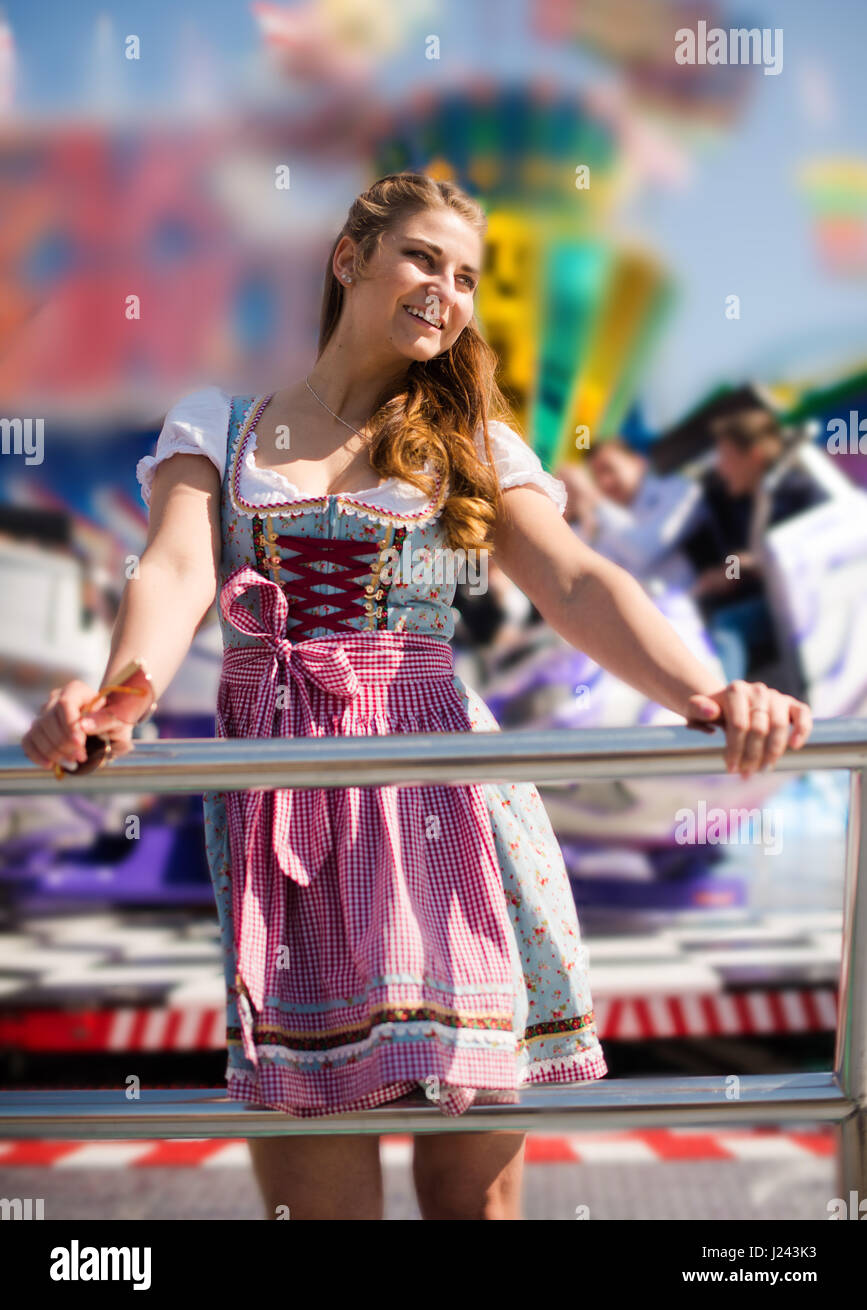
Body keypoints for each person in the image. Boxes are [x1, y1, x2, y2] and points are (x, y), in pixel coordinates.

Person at [21, 173, 812, 1221]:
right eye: (423, 258)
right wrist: (116, 703)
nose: (447, 288)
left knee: (475, 1205)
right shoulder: (217, 426)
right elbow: (171, 575)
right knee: (319, 1201)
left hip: (448, 794)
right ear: (348, 258)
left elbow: (577, 582)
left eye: (467, 275)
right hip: (284, 799)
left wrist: (715, 695)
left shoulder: (474, 439)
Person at [691, 406, 827, 683]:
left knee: (727, 626)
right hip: (764, 600)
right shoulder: (735, 503)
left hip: (803, 606)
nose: (719, 467)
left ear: (753, 456)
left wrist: (752, 564)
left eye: (726, 457)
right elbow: (736, 558)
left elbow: (816, 550)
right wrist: (725, 575)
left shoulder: (799, 493)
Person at [558, 438, 704, 588]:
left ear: (638, 462)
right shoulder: (604, 513)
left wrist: (594, 498)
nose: (604, 482)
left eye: (608, 469)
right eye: (596, 477)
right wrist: (567, 517)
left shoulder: (681, 491)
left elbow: (641, 551)